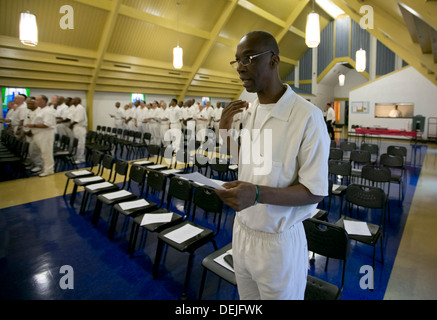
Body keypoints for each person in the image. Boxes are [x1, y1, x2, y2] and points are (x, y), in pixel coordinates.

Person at [215, 31, 330, 300]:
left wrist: (256, 193)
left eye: (249, 58)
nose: (241, 67)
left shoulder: (307, 116)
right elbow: (248, 163)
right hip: (242, 233)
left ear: (274, 61)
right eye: (237, 61)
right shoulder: (250, 109)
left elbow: (315, 191)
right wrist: (224, 132)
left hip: (277, 244)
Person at [24, 95, 56, 177]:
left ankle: (49, 170)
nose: (35, 101)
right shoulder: (40, 110)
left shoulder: (47, 111)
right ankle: (45, 168)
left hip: (45, 134)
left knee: (46, 153)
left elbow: (47, 124)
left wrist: (33, 125)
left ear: (43, 101)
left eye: (37, 100)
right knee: (42, 153)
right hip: (38, 134)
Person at [69, 97, 88, 164]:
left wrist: (71, 125)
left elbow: (78, 119)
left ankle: (81, 158)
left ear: (79, 101)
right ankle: (76, 156)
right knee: (76, 143)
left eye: (74, 99)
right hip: (76, 127)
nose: (72, 100)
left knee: (80, 143)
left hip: (80, 127)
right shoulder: (75, 108)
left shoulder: (80, 108)